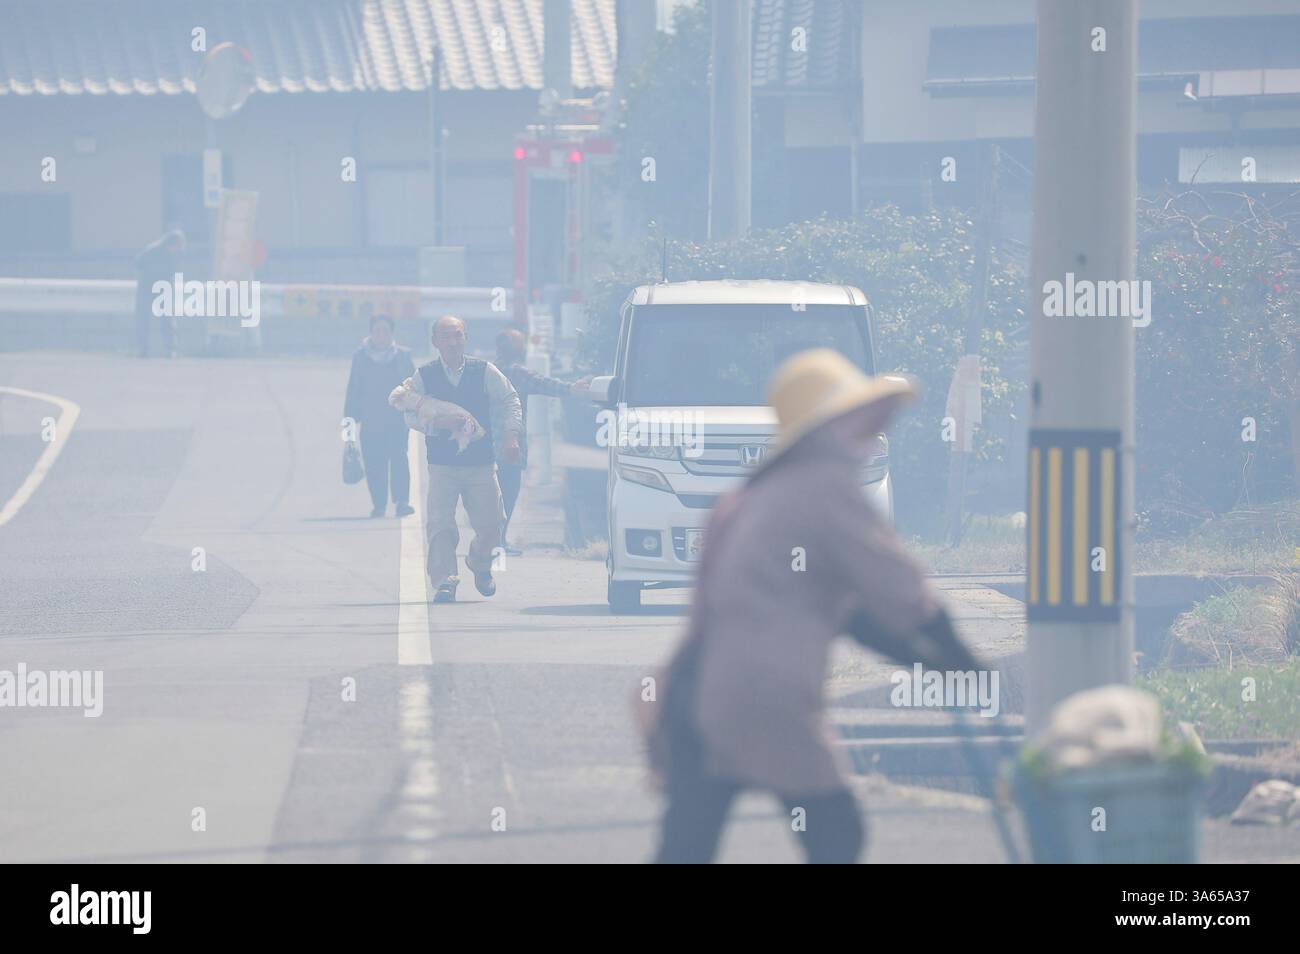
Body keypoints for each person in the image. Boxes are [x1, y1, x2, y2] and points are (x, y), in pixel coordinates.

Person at [642, 348, 983, 864]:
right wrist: (962, 663)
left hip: (697, 692)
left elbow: (854, 617)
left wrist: (930, 662)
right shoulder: (824, 487)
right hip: (766, 696)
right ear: (828, 428)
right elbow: (903, 593)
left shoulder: (751, 497)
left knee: (688, 843)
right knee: (835, 830)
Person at [401, 316, 522, 603]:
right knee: (440, 524)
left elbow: (510, 400)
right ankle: (445, 580)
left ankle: (480, 564)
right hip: (442, 465)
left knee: (493, 525)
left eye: (457, 335)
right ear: (435, 342)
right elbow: (408, 412)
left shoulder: (484, 371)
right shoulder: (424, 376)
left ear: (466, 338)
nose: (452, 342)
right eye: (446, 336)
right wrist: (437, 424)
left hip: (481, 464)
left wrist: (511, 436)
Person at [494, 328, 589, 554]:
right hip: (511, 444)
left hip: (486, 446)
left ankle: (491, 540)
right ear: (514, 349)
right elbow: (545, 384)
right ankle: (498, 541)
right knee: (508, 494)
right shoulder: (516, 372)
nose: (524, 347)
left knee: (490, 495)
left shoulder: (489, 370)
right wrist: (571, 389)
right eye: (520, 344)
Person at [344, 314, 417, 518]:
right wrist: (348, 422)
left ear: (392, 333)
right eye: (377, 331)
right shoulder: (360, 357)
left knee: (399, 460)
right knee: (374, 463)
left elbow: (413, 386)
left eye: (385, 331)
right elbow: (353, 390)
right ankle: (379, 505)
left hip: (396, 420)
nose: (381, 335)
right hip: (370, 421)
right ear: (371, 333)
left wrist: (416, 408)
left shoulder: (402, 356)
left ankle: (402, 502)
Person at [133, 229, 185, 358]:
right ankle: (142, 349)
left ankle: (170, 349)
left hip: (163, 288)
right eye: (177, 246)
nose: (178, 249)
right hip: (147, 288)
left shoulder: (175, 254)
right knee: (143, 319)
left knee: (167, 319)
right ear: (170, 243)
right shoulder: (152, 250)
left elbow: (173, 271)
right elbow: (138, 263)